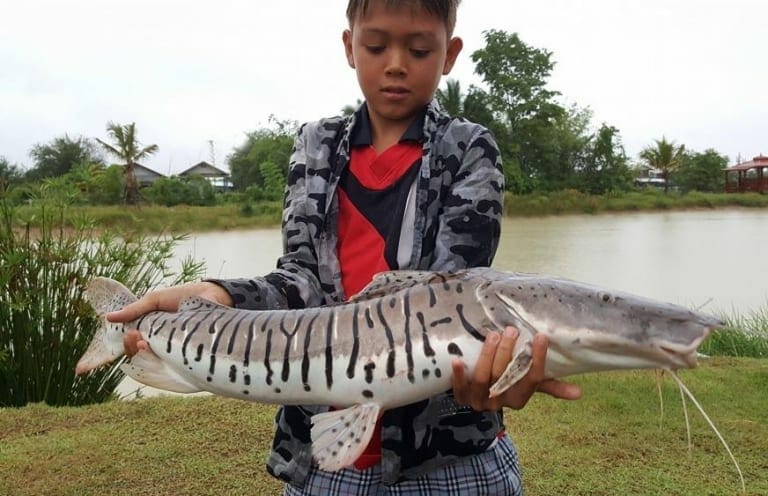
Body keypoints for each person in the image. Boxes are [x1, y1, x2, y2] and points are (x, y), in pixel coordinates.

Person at [109, 0, 582, 494]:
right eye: (376, 46)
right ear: (349, 47)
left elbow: (456, 293)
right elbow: (299, 278)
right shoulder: (315, 145)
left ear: (450, 53)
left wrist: (501, 365)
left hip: (450, 460)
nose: (395, 63)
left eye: (419, 49)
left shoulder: (468, 148)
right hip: (320, 461)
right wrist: (221, 295)